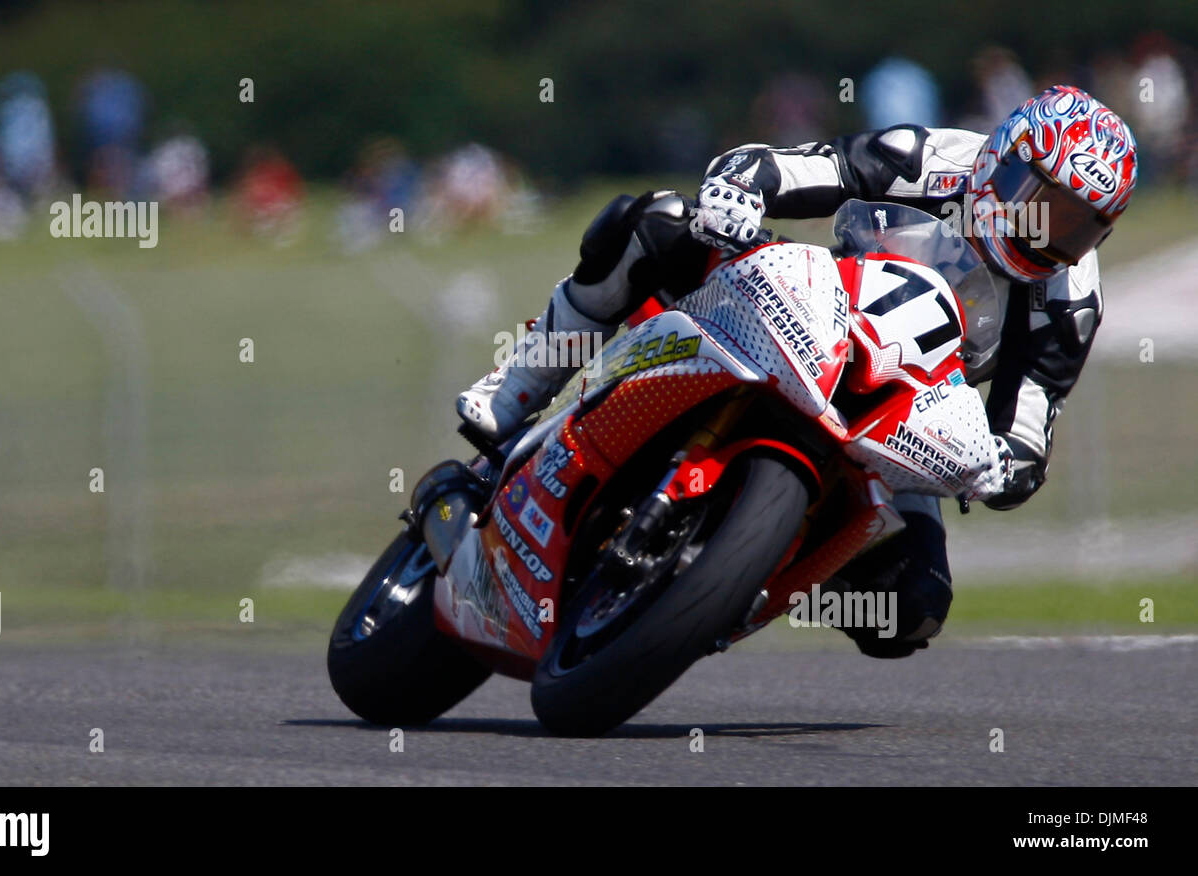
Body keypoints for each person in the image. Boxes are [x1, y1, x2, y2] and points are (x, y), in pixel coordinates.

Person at [457, 85, 1138, 658]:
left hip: (900, 417)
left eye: (1075, 225)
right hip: (810, 315)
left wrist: (1004, 469)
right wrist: (741, 192)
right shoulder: (929, 159)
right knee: (656, 222)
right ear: (1003, 155)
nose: (1042, 230)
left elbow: (1029, 422)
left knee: (913, 608)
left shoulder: (1068, 303)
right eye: (1037, 198)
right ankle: (520, 385)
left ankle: (742, 578)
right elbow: (794, 167)